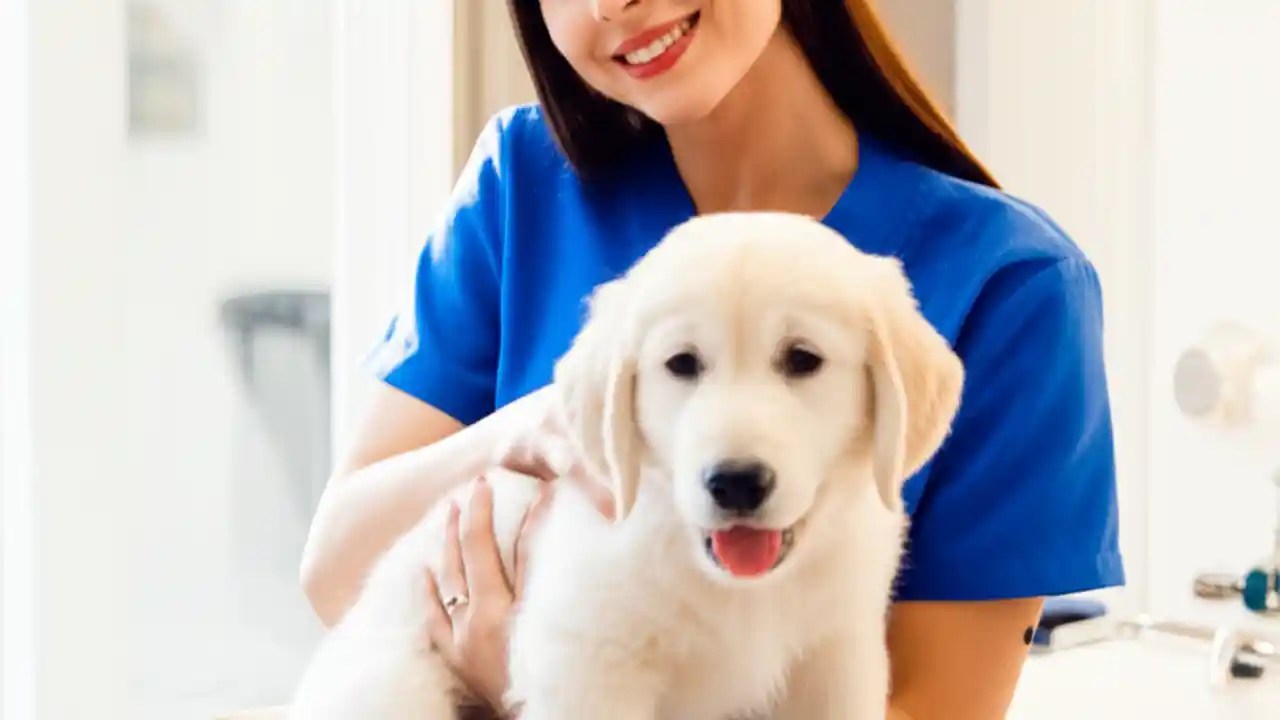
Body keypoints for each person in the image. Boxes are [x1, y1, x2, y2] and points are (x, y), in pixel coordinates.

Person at [299, 1, 1125, 718]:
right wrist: (532, 429)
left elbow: (931, 710)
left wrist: (536, 682)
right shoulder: (523, 180)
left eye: (803, 360)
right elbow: (338, 574)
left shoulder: (1010, 283)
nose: (612, 3)